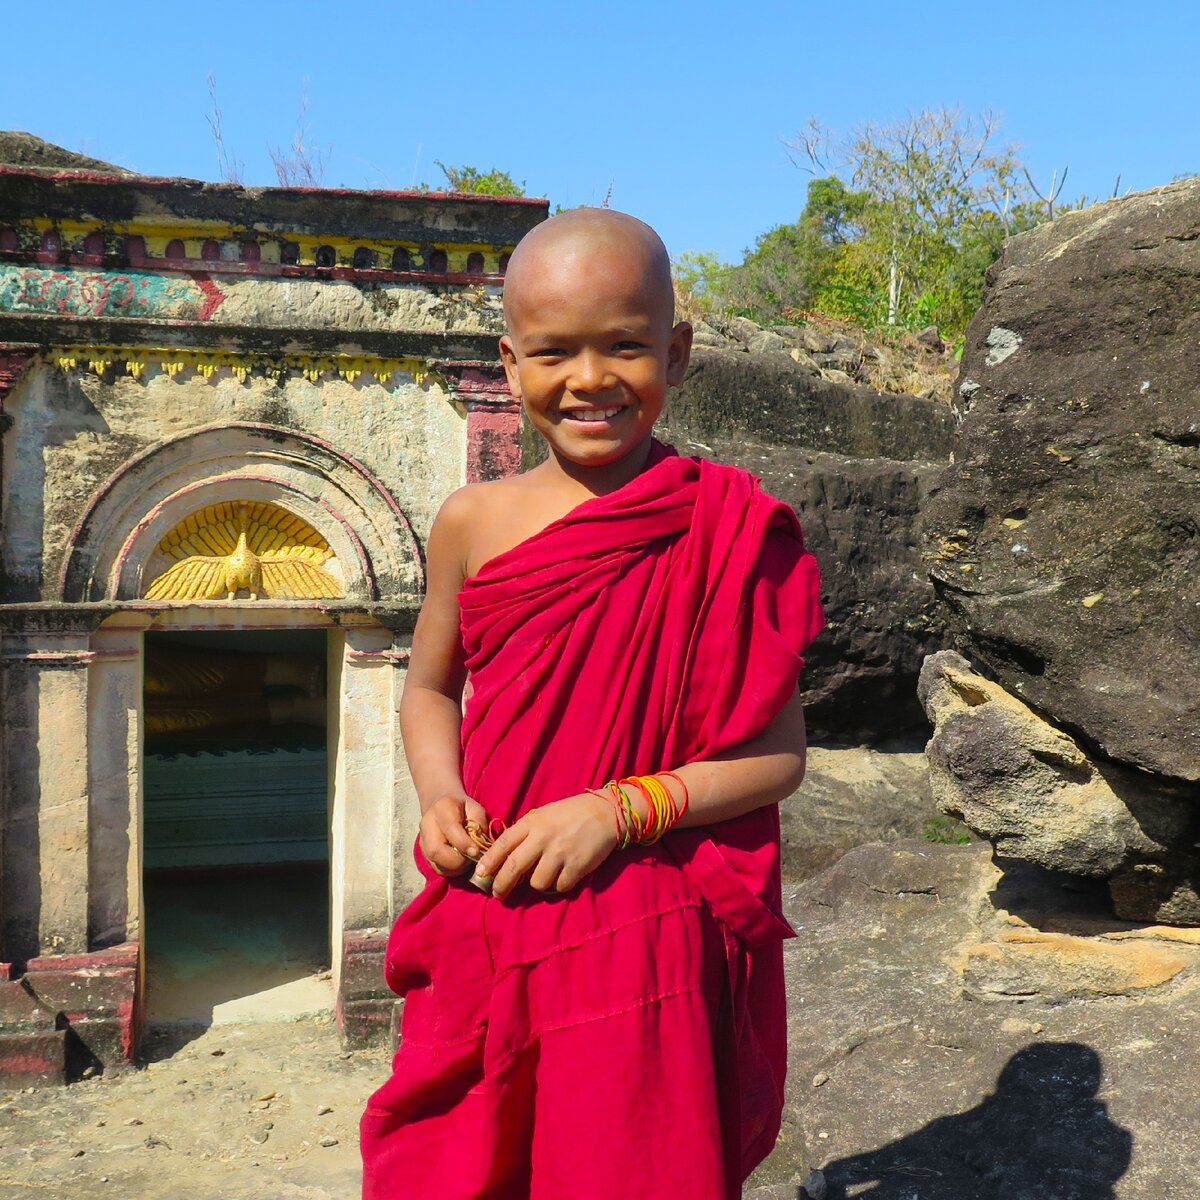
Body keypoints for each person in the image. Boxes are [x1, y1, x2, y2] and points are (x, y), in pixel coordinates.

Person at [360, 208, 824, 1199]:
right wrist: (439, 795)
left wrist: (620, 807)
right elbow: (430, 690)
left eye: (625, 346)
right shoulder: (472, 523)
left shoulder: (727, 525)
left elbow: (779, 757)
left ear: (678, 351)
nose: (588, 379)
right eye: (552, 352)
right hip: (493, 905)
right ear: (509, 361)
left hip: (645, 927)